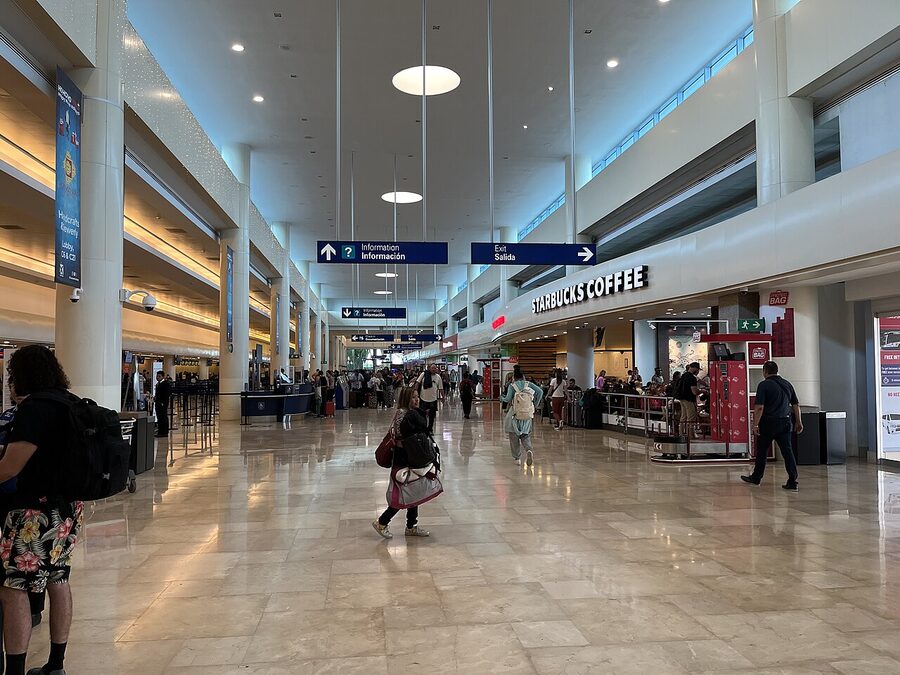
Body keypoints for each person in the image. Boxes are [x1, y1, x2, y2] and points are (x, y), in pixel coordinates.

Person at [0, 345, 85, 675]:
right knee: (58, 577)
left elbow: (10, 468)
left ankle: (15, 670)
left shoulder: (35, 408)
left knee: (13, 588)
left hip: (32, 514)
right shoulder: (68, 403)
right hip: (67, 509)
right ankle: (55, 665)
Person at [372, 387, 432, 539]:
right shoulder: (403, 414)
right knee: (403, 493)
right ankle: (382, 522)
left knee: (414, 491)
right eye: (413, 397)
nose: (417, 400)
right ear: (406, 399)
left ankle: (411, 526)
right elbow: (401, 437)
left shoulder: (410, 413)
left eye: (417, 397)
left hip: (410, 457)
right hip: (403, 458)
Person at [742, 361, 803, 491]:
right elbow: (796, 405)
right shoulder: (787, 384)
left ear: (765, 371)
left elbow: (759, 407)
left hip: (768, 423)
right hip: (786, 422)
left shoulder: (764, 385)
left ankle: (756, 477)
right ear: (776, 370)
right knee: (788, 452)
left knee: (762, 451)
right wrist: (798, 422)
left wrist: (755, 424)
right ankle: (793, 481)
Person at [501, 366, 544, 466]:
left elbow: (507, 399)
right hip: (527, 414)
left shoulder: (513, 386)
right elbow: (540, 392)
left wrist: (501, 397)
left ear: (514, 377)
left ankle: (517, 459)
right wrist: (535, 404)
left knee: (514, 437)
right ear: (523, 377)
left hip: (514, 414)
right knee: (525, 435)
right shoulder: (528, 384)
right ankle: (529, 450)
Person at [416, 365, 443, 432]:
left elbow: (441, 388)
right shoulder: (424, 374)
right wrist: (415, 393)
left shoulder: (438, 377)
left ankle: (430, 428)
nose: (434, 369)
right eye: (432, 368)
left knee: (432, 415)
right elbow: (417, 383)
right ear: (429, 368)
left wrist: (443, 397)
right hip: (423, 398)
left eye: (435, 368)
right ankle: (424, 428)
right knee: (422, 414)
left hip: (433, 399)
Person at [675, 362, 702, 432]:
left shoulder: (683, 376)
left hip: (682, 399)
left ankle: (681, 433)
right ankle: (690, 435)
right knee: (691, 417)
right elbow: (694, 392)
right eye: (698, 369)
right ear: (695, 368)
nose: (698, 371)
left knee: (683, 417)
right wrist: (703, 391)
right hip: (689, 399)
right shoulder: (692, 378)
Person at [154, 370, 171, 437]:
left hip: (162, 404)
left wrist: (163, 402)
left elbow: (166, 394)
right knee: (159, 417)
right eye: (157, 376)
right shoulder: (158, 384)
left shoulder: (165, 384)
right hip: (158, 403)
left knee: (163, 417)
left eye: (159, 376)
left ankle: (164, 432)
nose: (157, 377)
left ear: (163, 377)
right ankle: (160, 431)